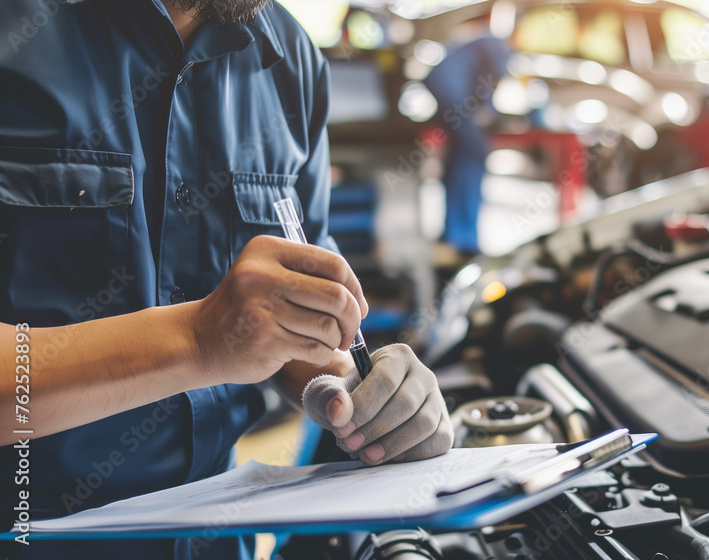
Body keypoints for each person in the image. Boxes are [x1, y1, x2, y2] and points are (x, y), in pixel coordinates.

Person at [0, 1, 452, 558]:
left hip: (220, 533)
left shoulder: (289, 61)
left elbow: (284, 321)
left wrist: (359, 392)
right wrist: (197, 341)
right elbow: (217, 336)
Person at [423, 30, 511, 257]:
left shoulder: (482, 42)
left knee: (459, 158)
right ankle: (465, 239)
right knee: (475, 153)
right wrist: (488, 111)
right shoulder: (499, 45)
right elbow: (493, 80)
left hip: (443, 90)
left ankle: (451, 233)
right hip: (452, 94)